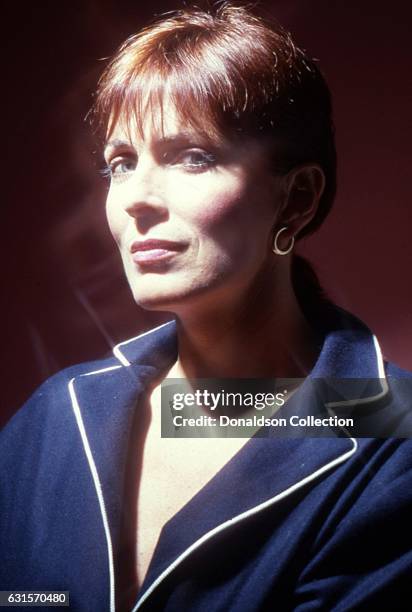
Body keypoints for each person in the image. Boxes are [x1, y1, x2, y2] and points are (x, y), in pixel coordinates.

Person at [1, 3, 412, 611]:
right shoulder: (56, 417)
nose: (136, 198)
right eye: (121, 163)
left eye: (192, 156)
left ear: (296, 199)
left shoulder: (392, 441)